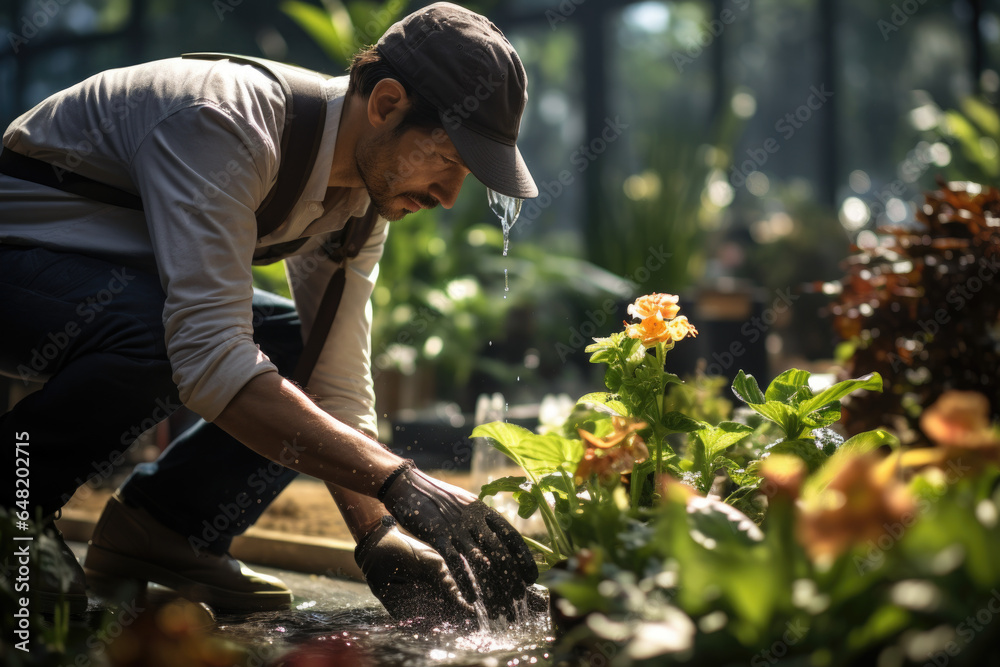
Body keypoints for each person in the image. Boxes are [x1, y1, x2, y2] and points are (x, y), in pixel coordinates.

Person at [0, 2, 539, 624]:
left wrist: (380, 538)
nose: (449, 197)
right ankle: (18, 521)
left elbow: (332, 379)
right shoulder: (227, 121)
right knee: (167, 334)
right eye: (447, 160)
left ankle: (165, 533)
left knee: (289, 341)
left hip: (113, 286)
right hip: (17, 262)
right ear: (387, 103)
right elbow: (206, 356)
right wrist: (400, 480)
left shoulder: (360, 200)